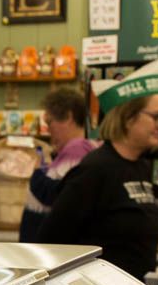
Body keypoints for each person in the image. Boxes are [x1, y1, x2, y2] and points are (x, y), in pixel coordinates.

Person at [38, 85, 158, 285]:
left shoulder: (141, 166)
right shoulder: (95, 169)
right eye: (156, 116)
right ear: (128, 117)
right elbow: (49, 241)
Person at [18, 88, 98, 243]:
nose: (48, 130)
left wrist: (37, 173)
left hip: (50, 251)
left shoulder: (77, 150)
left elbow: (59, 195)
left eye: (50, 122)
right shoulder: (86, 148)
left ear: (68, 117)